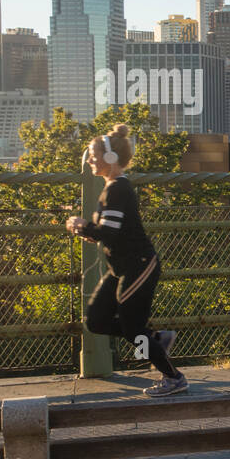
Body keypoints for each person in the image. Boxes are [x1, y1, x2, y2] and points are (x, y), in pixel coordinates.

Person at [65, 124, 184, 397]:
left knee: (132, 329)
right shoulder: (112, 188)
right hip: (119, 268)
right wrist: (88, 231)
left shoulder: (118, 189)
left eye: (94, 155)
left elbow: (107, 231)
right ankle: (157, 339)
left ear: (110, 158)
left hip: (138, 266)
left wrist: (82, 226)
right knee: (96, 320)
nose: (90, 160)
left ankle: (174, 377)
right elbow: (108, 232)